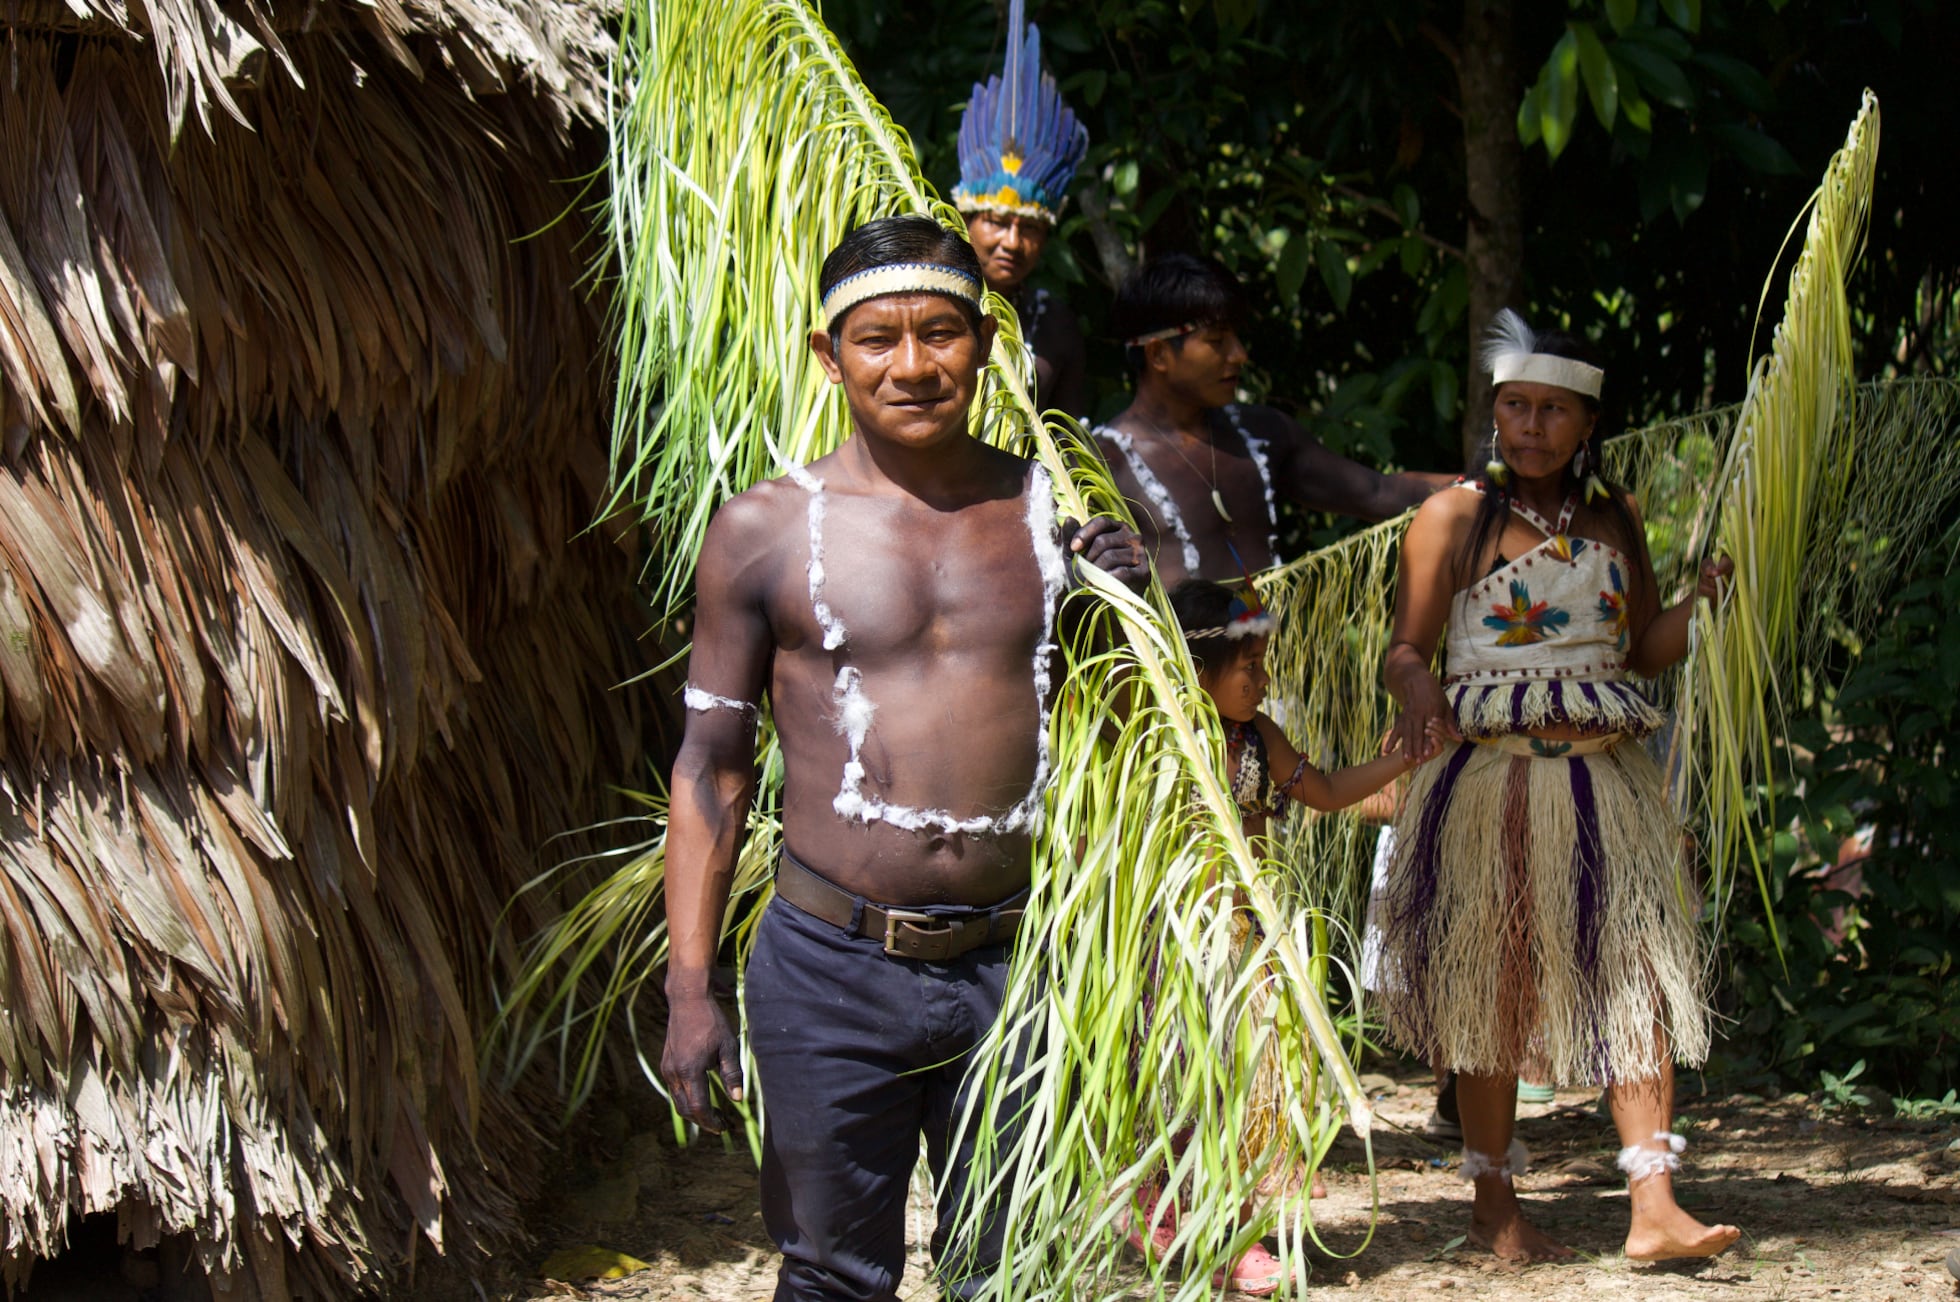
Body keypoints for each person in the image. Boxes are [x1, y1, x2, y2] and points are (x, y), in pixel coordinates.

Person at [660, 214, 1148, 1302]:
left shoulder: (1054, 517)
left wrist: (1129, 604)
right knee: (833, 1276)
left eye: (942, 334)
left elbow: (1134, 736)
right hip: (828, 967)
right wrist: (689, 987)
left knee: (1008, 1276)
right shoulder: (764, 529)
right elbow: (710, 766)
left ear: (986, 344)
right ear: (826, 357)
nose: (915, 367)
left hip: (1016, 968)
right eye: (877, 340)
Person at [1375, 310, 1741, 1264]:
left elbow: (1643, 648)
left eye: (1552, 411)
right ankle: (1493, 1209)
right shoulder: (1453, 516)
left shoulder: (1614, 518)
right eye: (1514, 407)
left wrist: (1702, 606)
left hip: (1606, 777)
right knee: (1493, 983)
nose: (1531, 426)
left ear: (1587, 423)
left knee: (1640, 980)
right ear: (1494, 413)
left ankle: (1655, 1206)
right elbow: (1405, 648)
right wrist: (1417, 687)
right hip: (1492, 775)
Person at [1129, 580, 1441, 1295]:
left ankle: (1237, 1231)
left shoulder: (1258, 737)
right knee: (1182, 1083)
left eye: (1265, 665)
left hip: (1248, 943)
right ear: (1197, 670)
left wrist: (1404, 759)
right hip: (1171, 941)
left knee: (1244, 1086)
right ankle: (1166, 1204)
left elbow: (1325, 792)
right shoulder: (1155, 734)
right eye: (1250, 668)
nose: (1263, 681)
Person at [1097, 253, 1453, 586]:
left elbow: (1378, 493)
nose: (1240, 355)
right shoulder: (1101, 463)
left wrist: (1487, 483)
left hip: (1280, 650)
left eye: (1236, 337)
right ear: (1159, 354)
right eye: (1217, 340)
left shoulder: (1261, 434)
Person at [953, 0, 1090, 418]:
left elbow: (1073, 442)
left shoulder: (1055, 323)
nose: (1013, 242)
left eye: (1029, 227)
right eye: (996, 221)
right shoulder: (924, 301)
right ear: (967, 219)